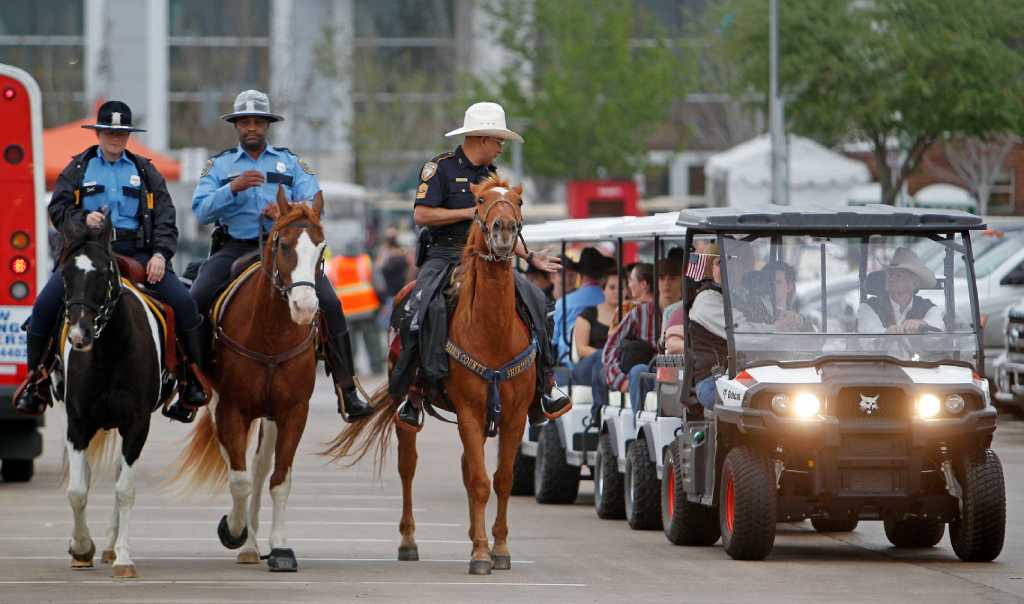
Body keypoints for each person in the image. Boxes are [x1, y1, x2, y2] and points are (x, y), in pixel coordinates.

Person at [182, 89, 369, 422]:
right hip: (235, 247)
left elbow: (313, 204)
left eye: (258, 121)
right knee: (195, 300)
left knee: (331, 302)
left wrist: (286, 213)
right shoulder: (220, 165)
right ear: (236, 126)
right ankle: (190, 384)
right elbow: (199, 211)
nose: (251, 127)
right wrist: (232, 189)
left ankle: (347, 390)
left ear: (267, 125)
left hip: (287, 249)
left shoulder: (291, 162)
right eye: (245, 122)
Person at [13, 101, 209, 416]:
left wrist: (160, 253)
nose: (115, 138)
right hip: (88, 252)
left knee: (184, 305)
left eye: (121, 133)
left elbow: (165, 217)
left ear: (128, 135)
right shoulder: (78, 168)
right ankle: (36, 380)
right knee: (44, 305)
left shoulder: (145, 171)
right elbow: (57, 210)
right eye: (109, 132)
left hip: (139, 253)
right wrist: (81, 221)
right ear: (99, 133)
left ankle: (191, 381)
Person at [390, 102, 569, 429]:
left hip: (491, 258)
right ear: (482, 138)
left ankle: (545, 384)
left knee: (537, 301)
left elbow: (501, 230)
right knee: (420, 309)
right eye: (498, 141)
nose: (501, 149)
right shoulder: (440, 168)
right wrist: (467, 213)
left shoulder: (495, 179)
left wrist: (530, 257)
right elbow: (421, 215)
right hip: (445, 256)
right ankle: (414, 391)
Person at [589, 263, 657, 421]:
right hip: (646, 365)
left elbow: (611, 343)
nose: (628, 285)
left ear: (644, 284)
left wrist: (619, 380)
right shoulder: (664, 308)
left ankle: (598, 420)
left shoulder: (629, 309)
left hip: (636, 365)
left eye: (631, 280)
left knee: (599, 367)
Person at [626, 253, 684, 412]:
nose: (666, 284)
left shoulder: (694, 306)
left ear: (682, 281)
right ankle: (638, 428)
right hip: (664, 368)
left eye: (672, 279)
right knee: (638, 371)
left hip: (691, 367)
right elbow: (612, 346)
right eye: (661, 278)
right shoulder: (642, 311)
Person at [551, 247, 617, 366]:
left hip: (569, 363)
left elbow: (553, 339)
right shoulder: (610, 300)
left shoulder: (564, 302)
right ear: (603, 274)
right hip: (606, 360)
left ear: (580, 274)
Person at [327, 240, 385, 375]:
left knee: (349, 342)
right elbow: (379, 285)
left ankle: (350, 368)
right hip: (367, 309)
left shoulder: (335, 264)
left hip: (345, 310)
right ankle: (376, 366)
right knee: (372, 340)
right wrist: (381, 302)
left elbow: (329, 288)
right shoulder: (365, 261)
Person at [857, 247, 943, 334]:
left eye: (899, 275)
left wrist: (922, 324)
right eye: (890, 274)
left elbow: (937, 331)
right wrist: (886, 333)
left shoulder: (928, 307)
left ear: (914, 283)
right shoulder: (869, 307)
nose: (891, 279)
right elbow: (869, 337)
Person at [690, 244, 728, 411]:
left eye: (732, 262)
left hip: (744, 375)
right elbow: (740, 332)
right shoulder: (707, 298)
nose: (728, 268)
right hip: (712, 377)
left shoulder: (741, 296)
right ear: (710, 267)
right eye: (720, 263)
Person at [570, 275, 617, 385]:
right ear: (603, 290)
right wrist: (606, 355)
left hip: (616, 364)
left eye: (621, 288)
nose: (617, 291)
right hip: (589, 365)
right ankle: (601, 400)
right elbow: (581, 349)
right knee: (600, 356)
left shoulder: (628, 315)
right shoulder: (588, 313)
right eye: (612, 287)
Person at [373, 226, 412, 331]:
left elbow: (410, 267)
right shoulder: (383, 251)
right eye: (389, 236)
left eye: (393, 236)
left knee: (401, 322)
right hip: (388, 293)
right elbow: (378, 268)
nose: (391, 239)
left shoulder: (403, 251)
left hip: (402, 291)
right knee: (389, 323)